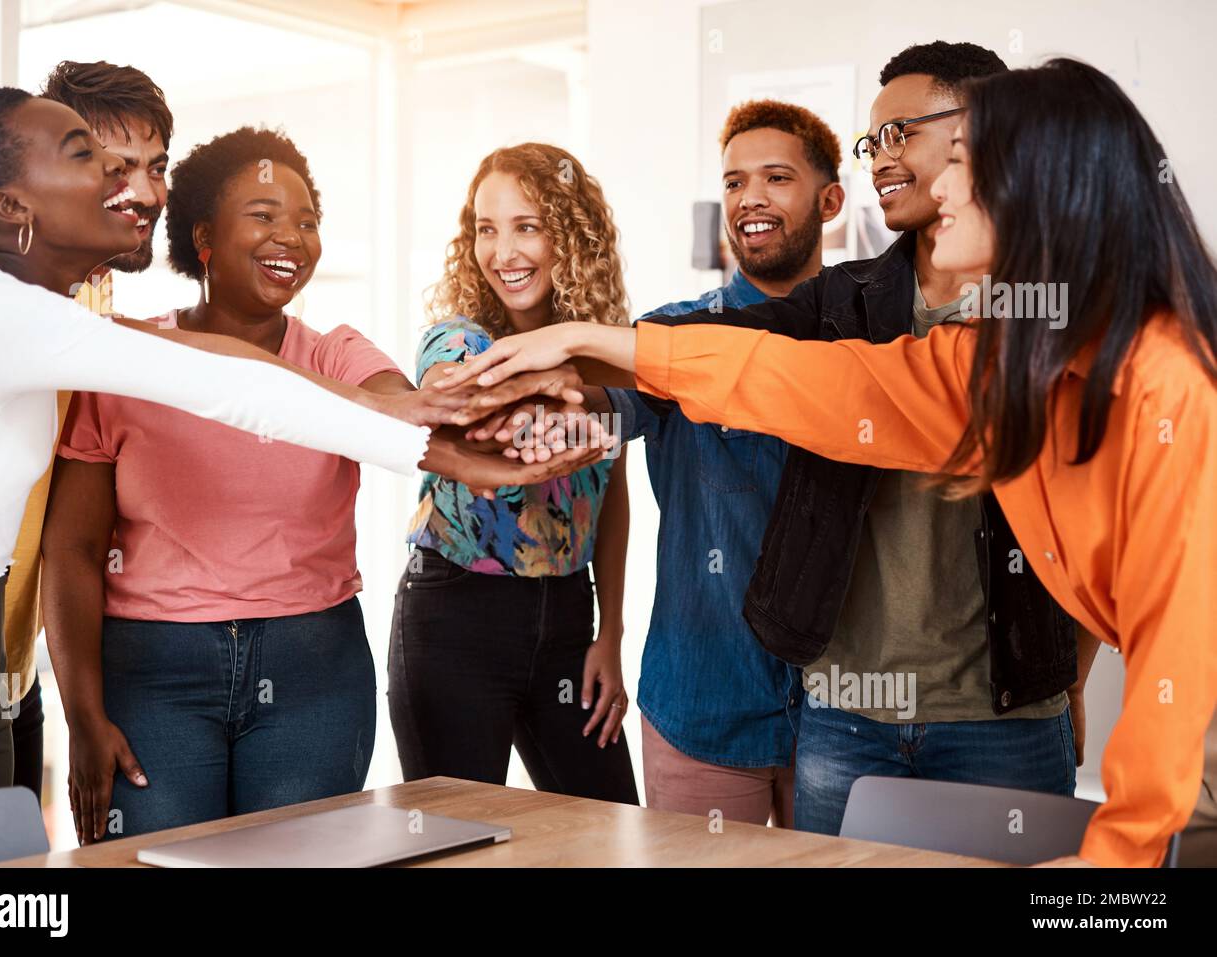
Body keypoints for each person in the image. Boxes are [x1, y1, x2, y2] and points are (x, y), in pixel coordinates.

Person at [440, 57, 1217, 868]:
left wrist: (1115, 868)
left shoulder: (1171, 383)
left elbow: (1178, 662)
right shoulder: (995, 364)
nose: (937, 189)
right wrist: (588, 341)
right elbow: (813, 383)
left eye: (957, 163)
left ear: (1043, 185)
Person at [0, 88, 594, 800]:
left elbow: (223, 362)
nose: (124, 182)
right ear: (10, 207)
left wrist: (423, 418)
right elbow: (221, 383)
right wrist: (445, 454)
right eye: (85, 157)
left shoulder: (38, 315)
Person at [44, 128, 442, 842]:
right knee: (152, 863)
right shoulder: (124, 361)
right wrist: (81, 716)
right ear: (203, 234)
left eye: (307, 221)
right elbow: (72, 548)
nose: (290, 235)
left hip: (313, 670)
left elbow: (400, 411)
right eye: (263, 214)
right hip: (152, 671)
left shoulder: (336, 352)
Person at [597, 99, 843, 825]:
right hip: (700, 703)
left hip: (846, 717)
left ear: (830, 199)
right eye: (735, 183)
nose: (751, 199)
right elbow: (599, 413)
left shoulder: (869, 335)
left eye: (776, 178)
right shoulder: (674, 334)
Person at [388, 143, 639, 804]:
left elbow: (611, 498)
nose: (503, 253)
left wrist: (609, 632)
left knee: (612, 833)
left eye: (526, 226)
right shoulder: (457, 336)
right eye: (486, 229)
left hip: (567, 621)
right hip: (454, 616)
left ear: (571, 236)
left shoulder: (605, 351)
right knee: (456, 844)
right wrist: (552, 385)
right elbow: (455, 388)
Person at [0, 60, 174, 807]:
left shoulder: (88, 294)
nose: (151, 193)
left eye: (157, 168)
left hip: (8, 681)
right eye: (118, 168)